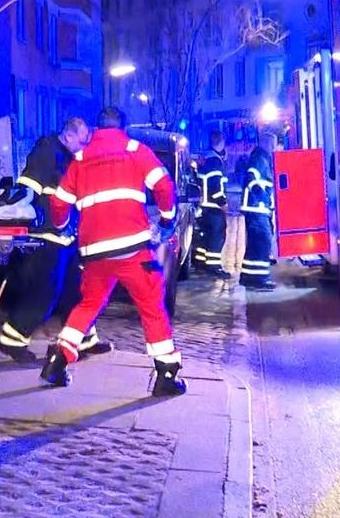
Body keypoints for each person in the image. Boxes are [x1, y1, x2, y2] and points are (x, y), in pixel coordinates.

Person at [40, 107, 186, 397]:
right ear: (124, 126)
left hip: (94, 251)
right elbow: (164, 186)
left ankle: (58, 361)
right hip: (132, 248)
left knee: (88, 304)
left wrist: (65, 226)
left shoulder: (80, 159)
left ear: (96, 128)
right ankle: (166, 374)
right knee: (151, 306)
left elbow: (58, 203)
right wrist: (168, 219)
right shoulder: (135, 149)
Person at [0, 118, 113, 363]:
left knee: (75, 291)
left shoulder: (67, 156)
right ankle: (12, 340)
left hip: (65, 235)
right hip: (47, 236)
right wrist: (9, 219)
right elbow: (26, 188)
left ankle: (83, 339)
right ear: (69, 136)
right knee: (44, 292)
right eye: (81, 141)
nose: (84, 147)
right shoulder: (46, 152)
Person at [239, 132, 278, 291]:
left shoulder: (260, 158)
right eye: (273, 145)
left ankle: (248, 277)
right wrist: (261, 197)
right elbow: (252, 178)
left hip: (256, 208)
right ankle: (260, 279)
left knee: (254, 244)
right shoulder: (260, 159)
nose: (275, 148)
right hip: (256, 207)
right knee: (263, 241)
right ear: (268, 144)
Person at [193, 131, 231, 279]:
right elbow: (216, 185)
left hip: (204, 206)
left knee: (206, 236)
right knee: (217, 237)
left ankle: (201, 263)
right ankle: (214, 266)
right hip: (214, 207)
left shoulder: (206, 158)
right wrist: (222, 202)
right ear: (221, 143)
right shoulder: (215, 161)